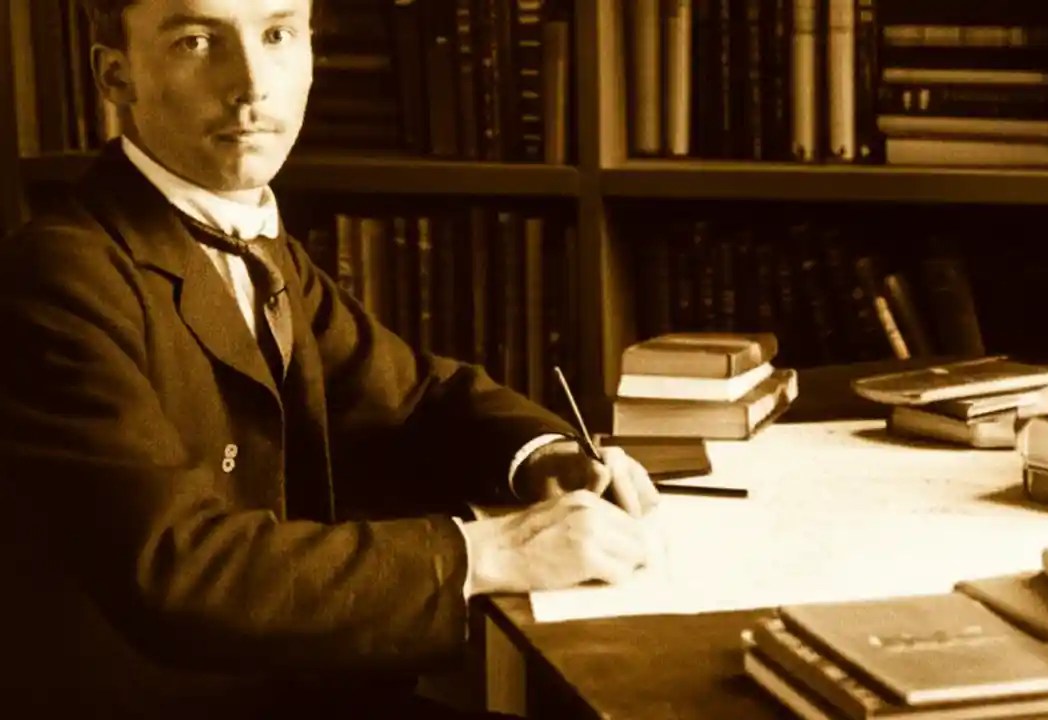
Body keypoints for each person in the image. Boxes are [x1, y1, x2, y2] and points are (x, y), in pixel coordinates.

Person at [0, 0, 659, 716]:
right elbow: (176, 567)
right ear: (116, 76)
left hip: (295, 686)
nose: (251, 83)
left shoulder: (248, 234)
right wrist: (484, 553)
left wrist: (548, 458)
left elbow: (414, 396)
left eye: (278, 34)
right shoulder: (59, 275)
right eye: (197, 40)